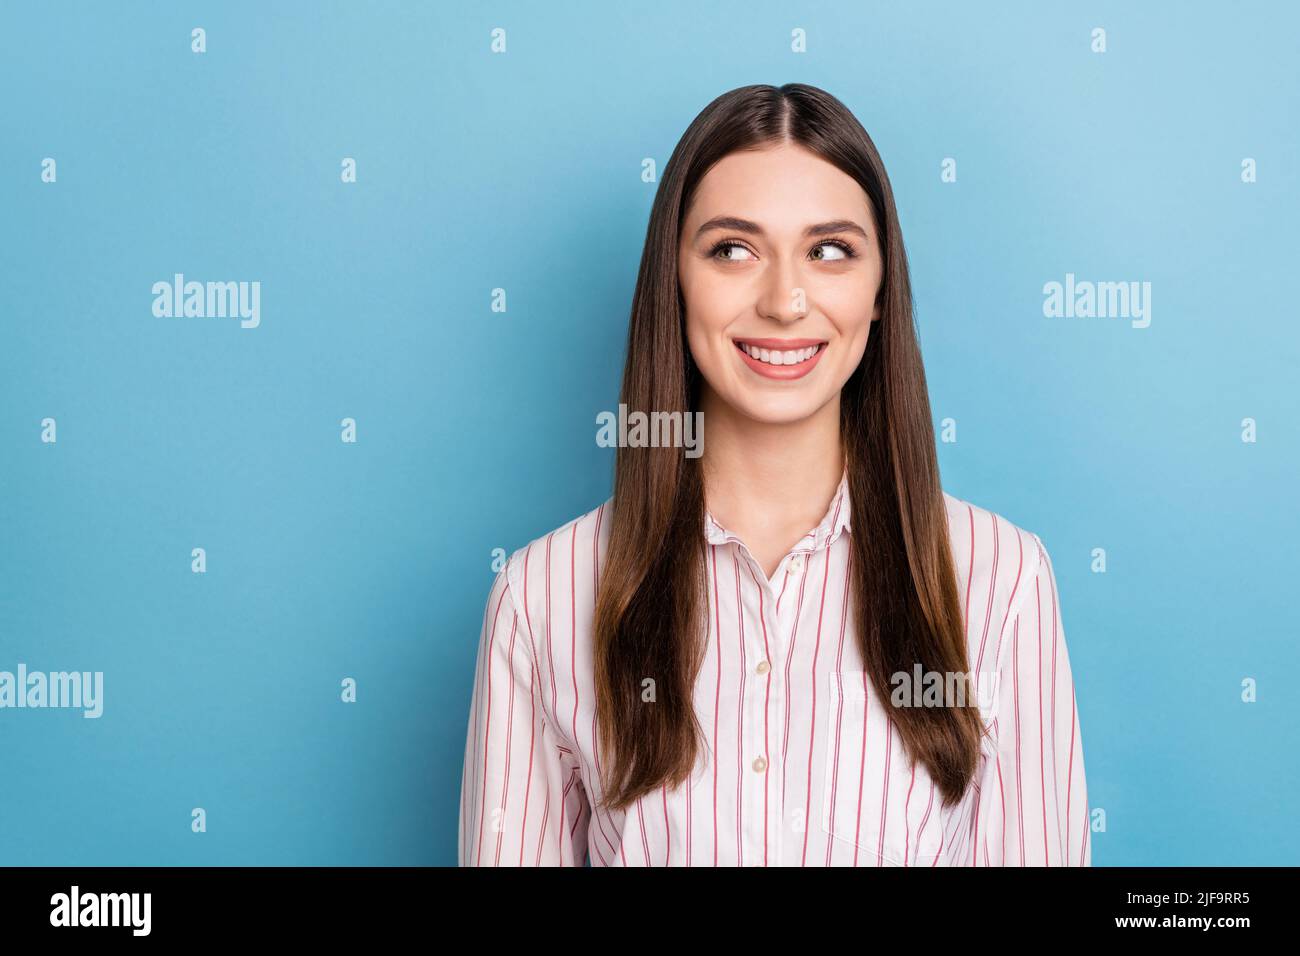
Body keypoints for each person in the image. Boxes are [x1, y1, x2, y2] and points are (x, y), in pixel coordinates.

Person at [458, 83, 1090, 867]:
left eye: (830, 251)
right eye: (733, 249)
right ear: (675, 281)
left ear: (881, 289)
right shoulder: (542, 598)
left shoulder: (1002, 581)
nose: (785, 302)